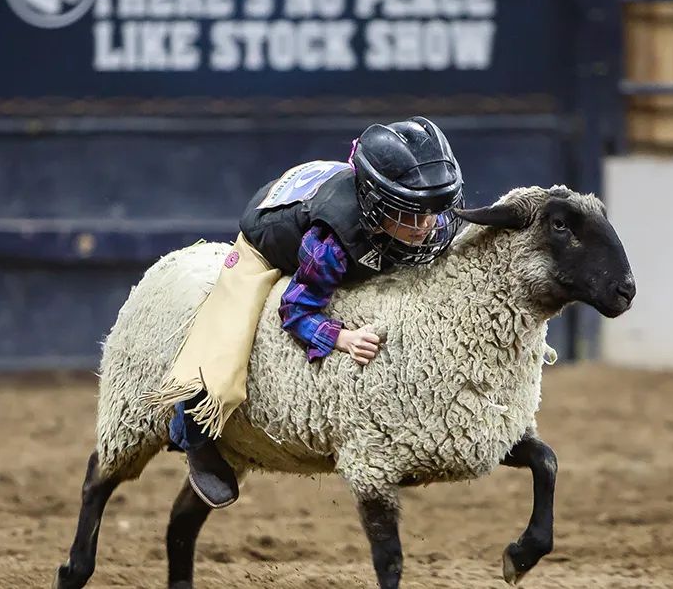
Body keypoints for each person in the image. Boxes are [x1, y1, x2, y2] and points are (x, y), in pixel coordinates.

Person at [142, 116, 464, 508]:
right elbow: (295, 307)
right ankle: (194, 433)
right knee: (225, 338)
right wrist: (342, 337)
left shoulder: (417, 221)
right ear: (378, 206)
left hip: (336, 201)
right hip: (268, 237)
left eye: (433, 209)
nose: (428, 225)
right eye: (411, 213)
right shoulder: (329, 245)